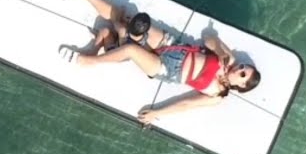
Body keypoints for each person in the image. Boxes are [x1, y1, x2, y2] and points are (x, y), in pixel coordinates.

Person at [60, 33, 261, 125]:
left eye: (242, 74)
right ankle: (108, 35)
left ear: (240, 86)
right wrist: (220, 51)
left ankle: (89, 60)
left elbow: (186, 104)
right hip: (175, 47)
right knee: (136, 24)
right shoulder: (228, 59)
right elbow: (209, 38)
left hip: (167, 69)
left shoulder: (217, 95)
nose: (239, 69)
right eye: (243, 67)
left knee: (131, 49)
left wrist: (157, 113)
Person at [58, 0, 172, 53]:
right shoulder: (143, 39)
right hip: (123, 47)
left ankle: (93, 51)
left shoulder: (122, 30)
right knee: (110, 25)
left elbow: (116, 21)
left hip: (115, 49)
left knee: (107, 26)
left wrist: (121, 15)